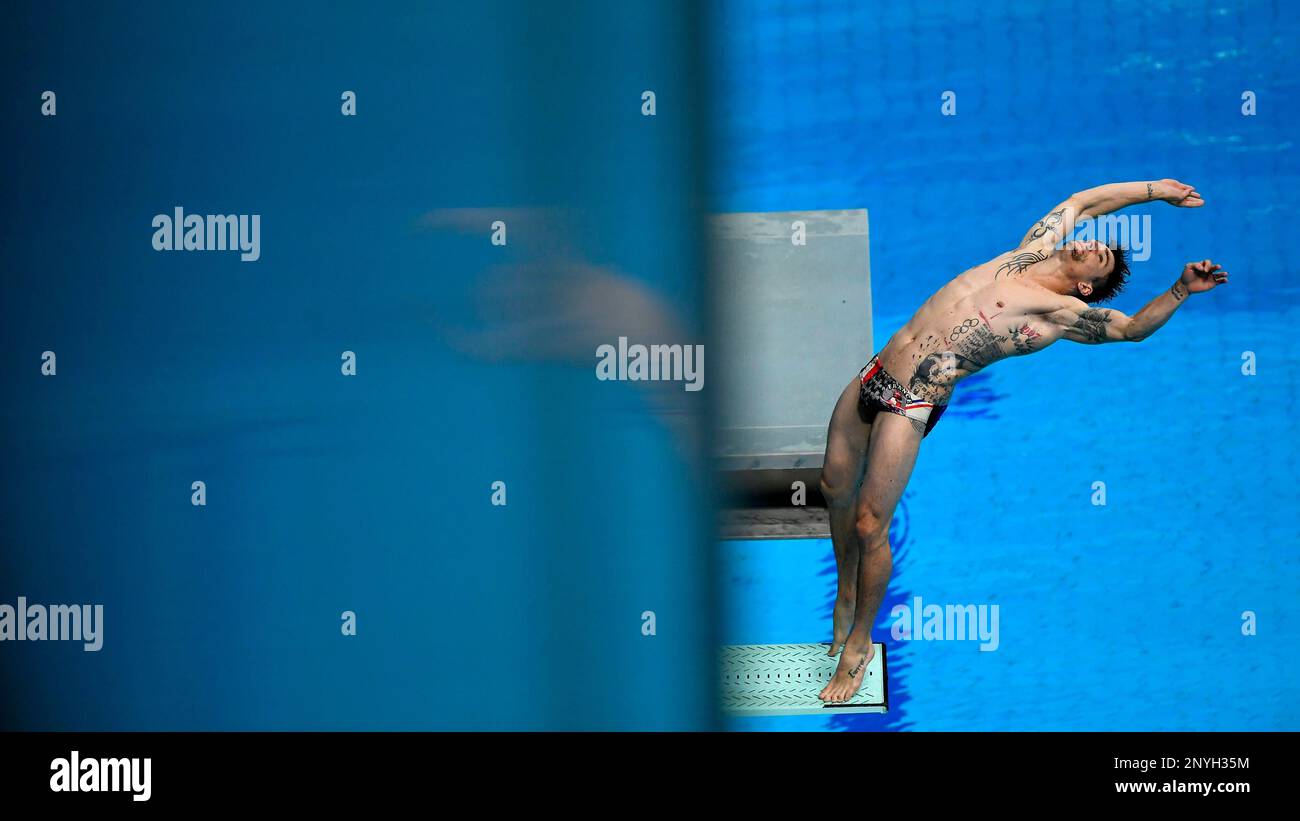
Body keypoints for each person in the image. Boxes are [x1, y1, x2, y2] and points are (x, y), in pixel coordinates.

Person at [816, 179, 1228, 703]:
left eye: (1096, 256)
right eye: (1093, 241)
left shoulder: (1058, 315)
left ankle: (858, 645)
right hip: (877, 370)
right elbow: (1083, 202)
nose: (1088, 242)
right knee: (833, 486)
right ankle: (845, 588)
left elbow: (1130, 330)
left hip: (913, 399)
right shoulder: (1027, 252)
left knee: (870, 522)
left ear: (1085, 287)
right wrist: (1156, 190)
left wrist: (1180, 288)